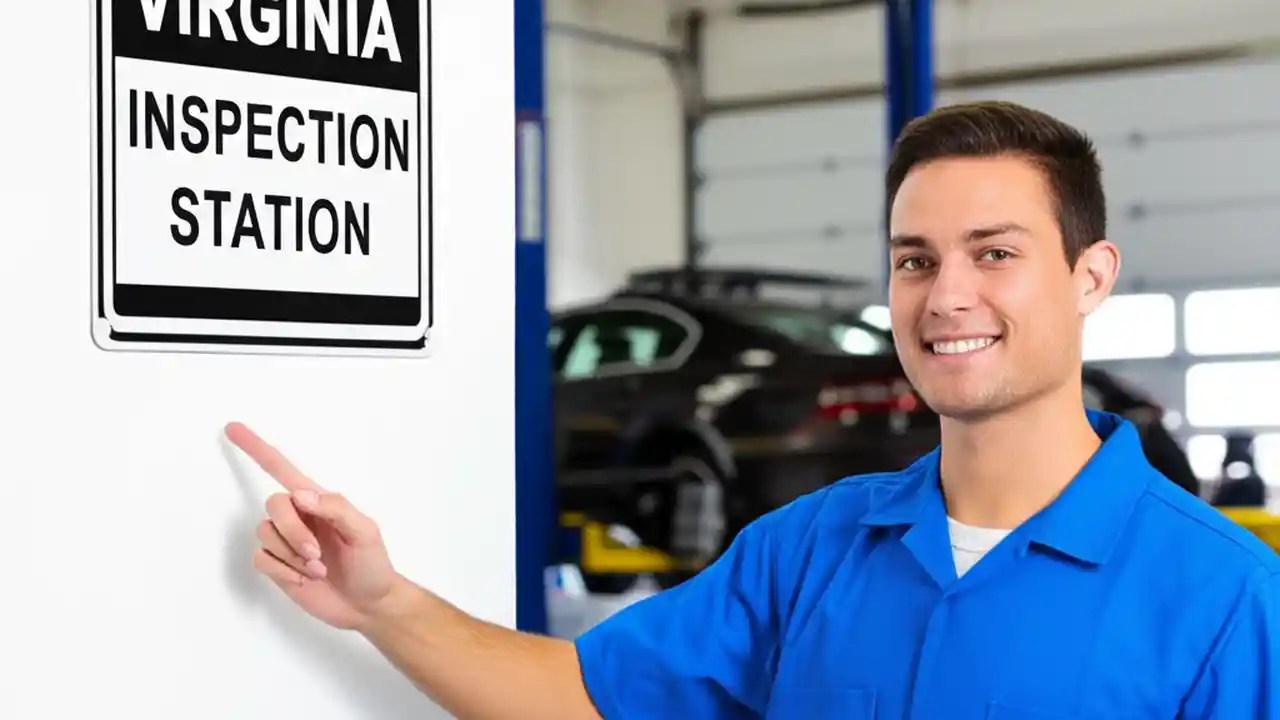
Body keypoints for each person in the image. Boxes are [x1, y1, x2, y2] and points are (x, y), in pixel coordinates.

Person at [228, 101, 1280, 719]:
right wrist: (379, 601)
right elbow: (582, 698)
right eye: (913, 260)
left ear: (1088, 276)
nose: (945, 295)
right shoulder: (811, 549)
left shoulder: (1223, 597)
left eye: (993, 254)